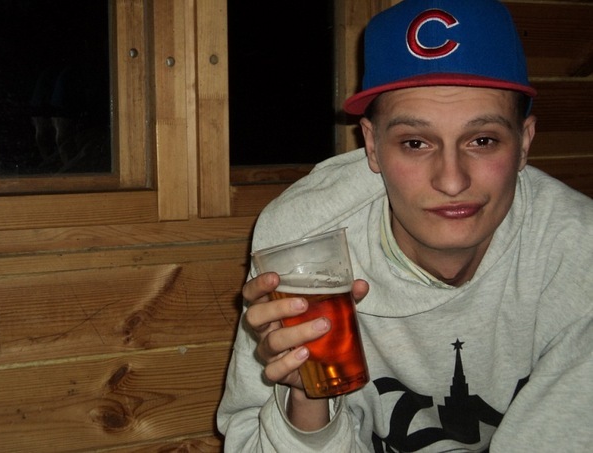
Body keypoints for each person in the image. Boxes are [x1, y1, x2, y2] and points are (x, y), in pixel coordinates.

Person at [217, 0, 593, 451]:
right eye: (415, 143)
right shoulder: (303, 241)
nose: (451, 181)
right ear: (372, 145)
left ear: (525, 143)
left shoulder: (578, 252)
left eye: (482, 140)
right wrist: (307, 399)